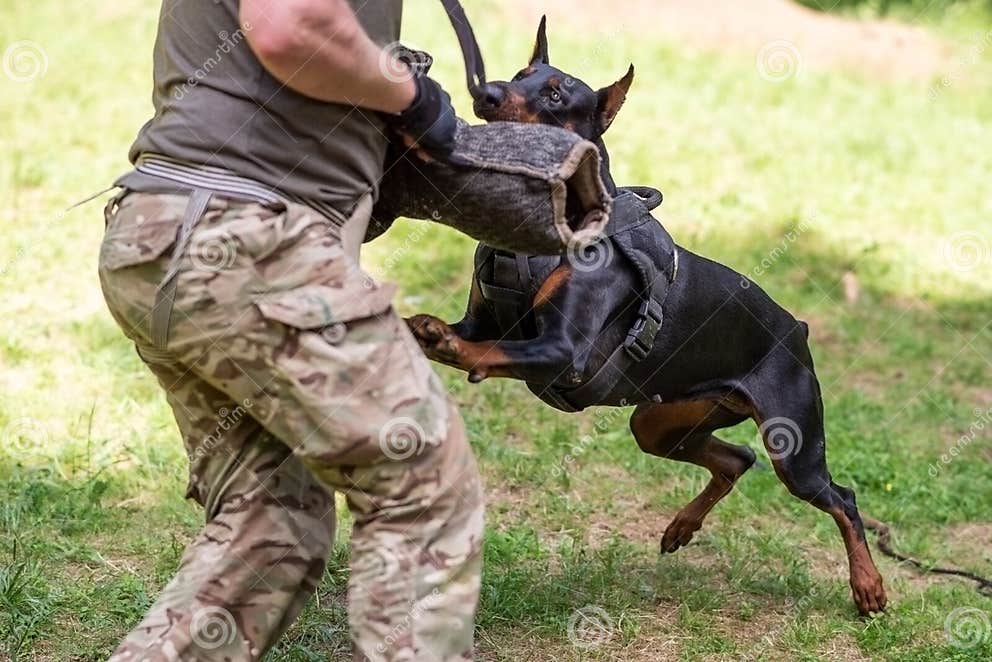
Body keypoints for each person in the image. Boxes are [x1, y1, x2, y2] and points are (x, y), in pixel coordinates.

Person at [99, 0, 484, 659]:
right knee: (420, 481)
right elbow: (291, 23)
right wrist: (411, 96)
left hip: (161, 237)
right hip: (245, 240)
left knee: (272, 521)